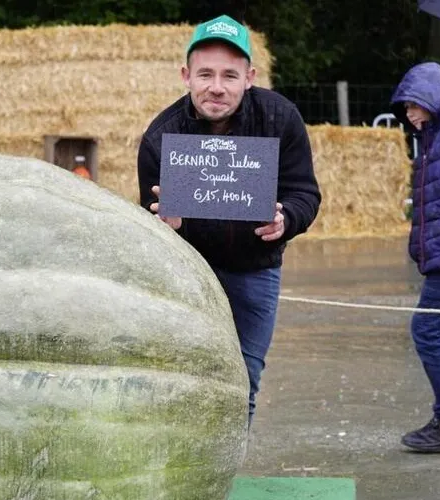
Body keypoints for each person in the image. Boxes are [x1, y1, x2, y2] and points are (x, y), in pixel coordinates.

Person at [136, 15, 322, 423]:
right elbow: (148, 221)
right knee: (184, 377)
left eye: (229, 76)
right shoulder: (160, 138)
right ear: (186, 76)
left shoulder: (280, 119)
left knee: (244, 380)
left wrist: (286, 219)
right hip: (187, 275)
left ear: (249, 78)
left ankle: (231, 461)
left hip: (256, 270)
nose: (216, 87)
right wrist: (165, 227)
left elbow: (305, 193)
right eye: (205, 74)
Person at [390, 62, 440, 452]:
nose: (409, 113)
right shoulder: (435, 137)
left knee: (427, 330)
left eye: (412, 104)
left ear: (432, 98)